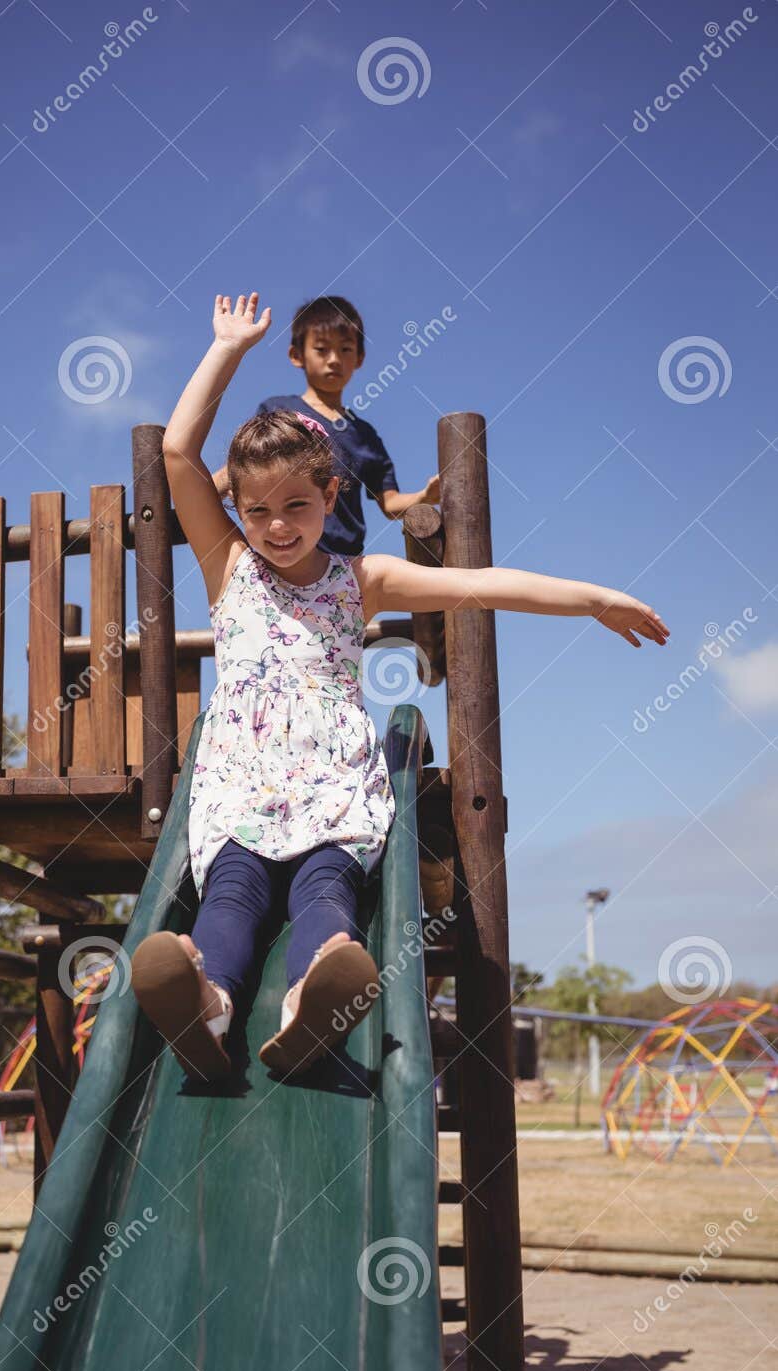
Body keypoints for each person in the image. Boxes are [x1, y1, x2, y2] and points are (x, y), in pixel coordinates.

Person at [130, 293, 668, 1084]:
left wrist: (589, 598)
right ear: (236, 512)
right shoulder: (230, 567)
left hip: (332, 783)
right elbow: (178, 453)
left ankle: (312, 999)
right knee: (232, 898)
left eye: (296, 507)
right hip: (241, 785)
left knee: (327, 895)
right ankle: (203, 1008)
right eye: (258, 512)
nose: (277, 526)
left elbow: (478, 584)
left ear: (330, 497)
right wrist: (227, 348)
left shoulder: (362, 579)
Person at [211, 294, 438, 558]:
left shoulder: (365, 436)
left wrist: (425, 496)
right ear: (296, 355)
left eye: (345, 349)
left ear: (360, 357)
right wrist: (189, 494)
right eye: (321, 349)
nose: (334, 359)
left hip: (343, 568)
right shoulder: (277, 411)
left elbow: (389, 503)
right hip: (281, 557)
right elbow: (238, 472)